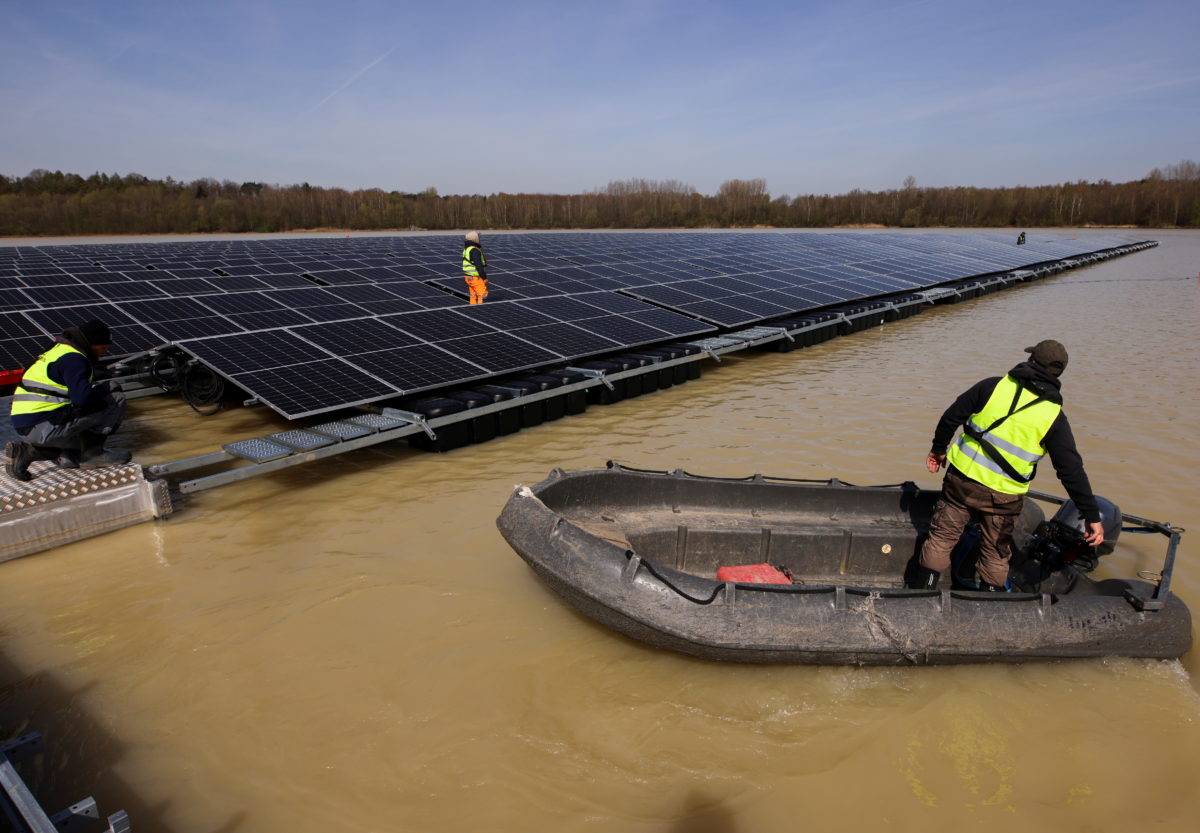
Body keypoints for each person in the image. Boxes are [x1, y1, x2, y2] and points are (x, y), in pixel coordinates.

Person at [908, 339, 1104, 591]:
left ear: (1032, 361)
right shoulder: (1054, 416)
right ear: (1057, 373)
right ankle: (992, 605)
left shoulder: (993, 386)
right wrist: (1090, 515)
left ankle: (922, 592)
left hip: (961, 481)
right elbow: (1070, 470)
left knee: (942, 538)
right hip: (1003, 497)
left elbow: (950, 417)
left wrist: (938, 450)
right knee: (995, 553)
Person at [4, 319, 131, 482]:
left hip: (28, 426)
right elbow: (82, 399)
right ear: (92, 344)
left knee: (72, 458)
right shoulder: (75, 359)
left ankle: (27, 452)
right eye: (103, 347)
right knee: (113, 393)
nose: (104, 352)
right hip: (45, 425)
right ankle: (93, 454)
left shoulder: (58, 350)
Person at [461, 230, 488, 304]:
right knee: (483, 295)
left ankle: (473, 308)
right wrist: (484, 277)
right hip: (476, 277)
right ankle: (480, 309)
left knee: (473, 295)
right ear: (475, 238)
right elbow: (478, 265)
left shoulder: (467, 249)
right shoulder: (475, 250)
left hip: (468, 277)